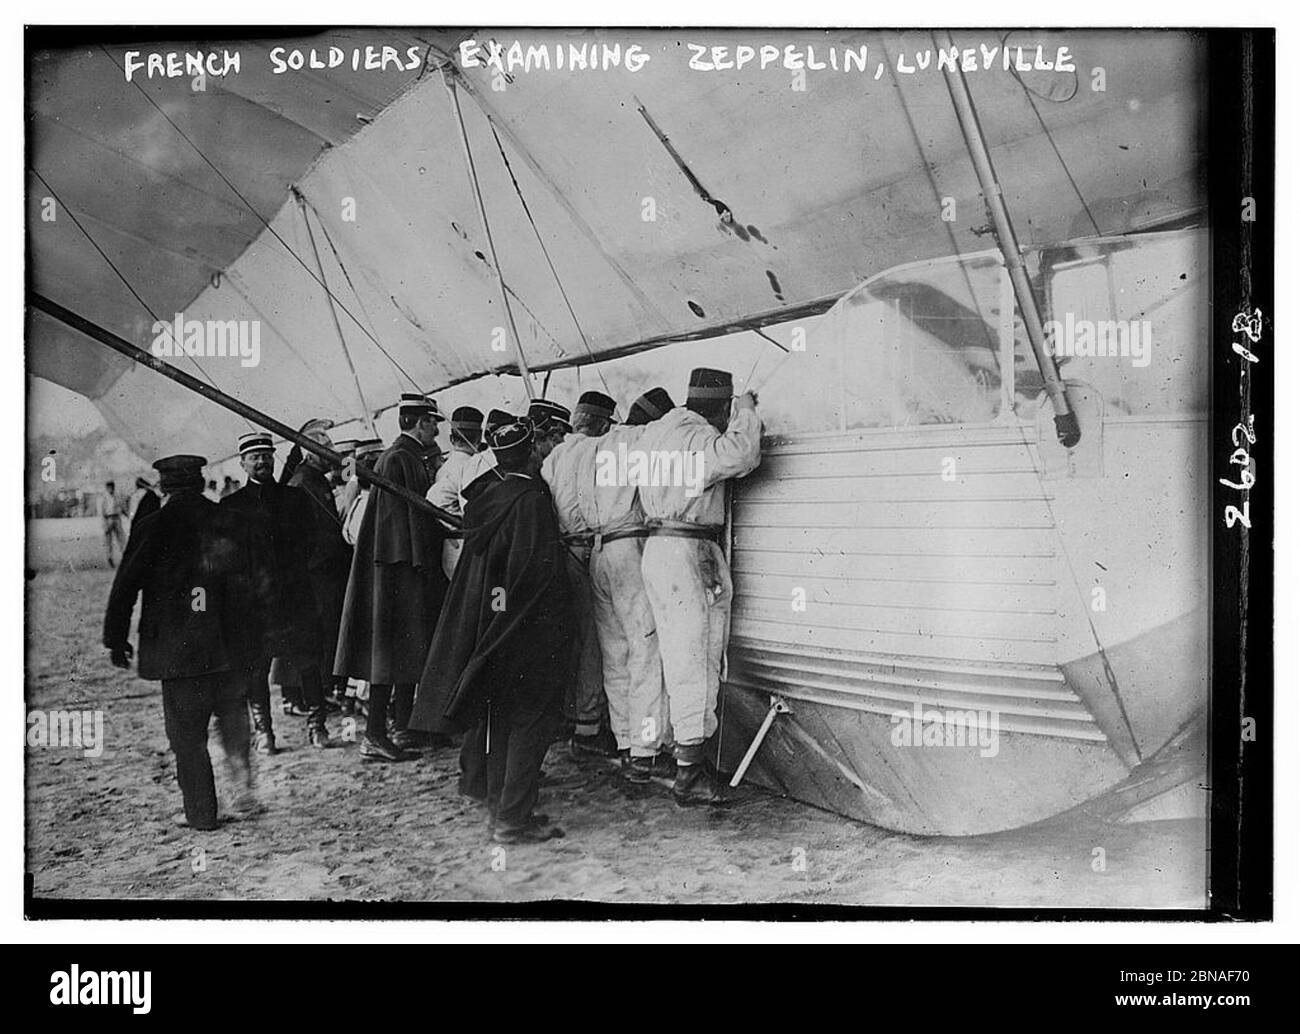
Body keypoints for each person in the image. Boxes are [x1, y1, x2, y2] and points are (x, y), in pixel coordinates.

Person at [409, 419, 572, 843]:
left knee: (500, 720)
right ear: (533, 449)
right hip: (528, 631)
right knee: (531, 722)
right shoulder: (531, 499)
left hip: (492, 629)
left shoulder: (485, 499)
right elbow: (534, 574)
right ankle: (512, 820)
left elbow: (498, 580)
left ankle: (503, 809)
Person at [102, 455, 262, 830]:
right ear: (200, 479)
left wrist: (116, 638)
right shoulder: (229, 519)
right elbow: (254, 583)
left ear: (165, 486)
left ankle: (202, 813)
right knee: (234, 721)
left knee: (187, 737)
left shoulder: (153, 525)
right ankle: (245, 791)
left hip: (178, 653)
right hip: (228, 647)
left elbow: (126, 583)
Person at [637, 368, 762, 806]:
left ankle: (682, 753)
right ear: (720, 405)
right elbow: (741, 455)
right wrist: (747, 414)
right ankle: (690, 773)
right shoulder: (696, 436)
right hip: (688, 553)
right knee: (699, 654)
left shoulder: (656, 432)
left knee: (674, 655)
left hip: (658, 548)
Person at [334, 393, 450, 761]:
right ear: (420, 422)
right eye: (434, 422)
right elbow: (404, 520)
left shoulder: (405, 456)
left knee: (406, 648)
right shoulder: (400, 458)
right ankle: (375, 735)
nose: (436, 429)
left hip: (402, 565)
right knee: (389, 653)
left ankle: (403, 727)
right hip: (397, 570)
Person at [585, 387, 678, 782]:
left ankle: (625, 741)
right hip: (629, 547)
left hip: (598, 549)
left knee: (615, 653)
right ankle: (645, 751)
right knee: (645, 651)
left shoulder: (599, 446)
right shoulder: (644, 441)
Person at [221, 431, 330, 753]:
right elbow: (227, 558)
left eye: (266, 456)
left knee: (308, 663)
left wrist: (292, 572)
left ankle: (317, 726)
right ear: (242, 463)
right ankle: (264, 732)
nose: (262, 462)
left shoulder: (294, 498)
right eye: (254, 457)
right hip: (254, 604)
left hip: (295, 597)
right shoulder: (231, 506)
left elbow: (310, 540)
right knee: (256, 668)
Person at [539, 392, 616, 758]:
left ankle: (571, 716)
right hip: (586, 549)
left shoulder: (554, 456)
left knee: (567, 640)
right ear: (601, 423)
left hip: (559, 552)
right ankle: (588, 728)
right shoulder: (599, 450)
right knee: (593, 643)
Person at [426, 405, 483, 579]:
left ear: (451, 438)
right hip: (467, 548)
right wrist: (458, 522)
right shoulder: (474, 466)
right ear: (479, 437)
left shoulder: (444, 467)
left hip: (450, 548)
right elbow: (434, 500)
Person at [100, 481, 126, 567]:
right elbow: (102, 512)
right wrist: (104, 524)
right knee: (108, 541)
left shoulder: (117, 496)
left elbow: (122, 507)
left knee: (121, 538)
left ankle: (124, 556)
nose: (111, 489)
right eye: (109, 488)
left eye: (112, 488)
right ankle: (109, 557)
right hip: (108, 518)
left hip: (117, 518)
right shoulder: (104, 497)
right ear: (107, 488)